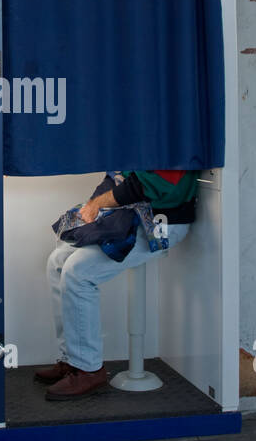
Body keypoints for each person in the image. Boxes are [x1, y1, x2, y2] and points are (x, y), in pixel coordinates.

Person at [39, 170, 199, 399]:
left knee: (78, 272)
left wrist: (95, 205)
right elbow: (118, 177)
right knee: (57, 262)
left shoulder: (168, 139)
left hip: (162, 222)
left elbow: (146, 186)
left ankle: (89, 369)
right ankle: (71, 360)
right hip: (127, 214)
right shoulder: (133, 138)